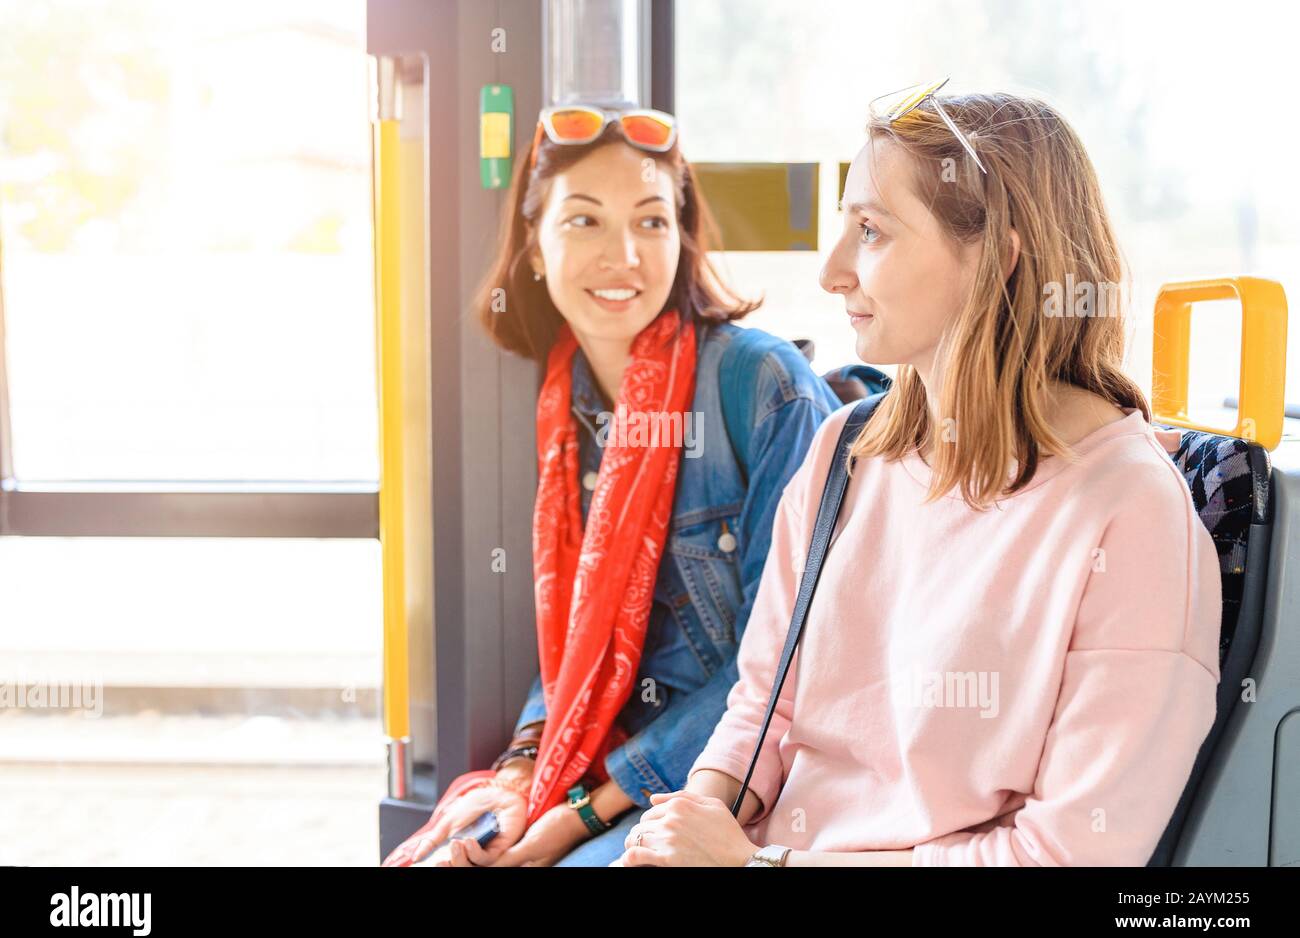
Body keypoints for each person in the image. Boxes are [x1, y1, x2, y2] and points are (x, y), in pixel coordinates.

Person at [613, 89, 1221, 867]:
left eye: (870, 231)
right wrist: (689, 824)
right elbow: (767, 705)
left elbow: (1065, 856)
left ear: (998, 260)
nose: (833, 272)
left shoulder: (1130, 515)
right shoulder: (846, 450)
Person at [381, 104, 844, 866]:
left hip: (741, 783)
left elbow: (790, 662)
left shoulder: (762, 387)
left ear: (682, 237)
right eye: (585, 222)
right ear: (534, 245)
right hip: (603, 772)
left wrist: (578, 818)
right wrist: (522, 770)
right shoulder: (570, 407)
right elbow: (577, 651)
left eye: (653, 222)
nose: (623, 255)